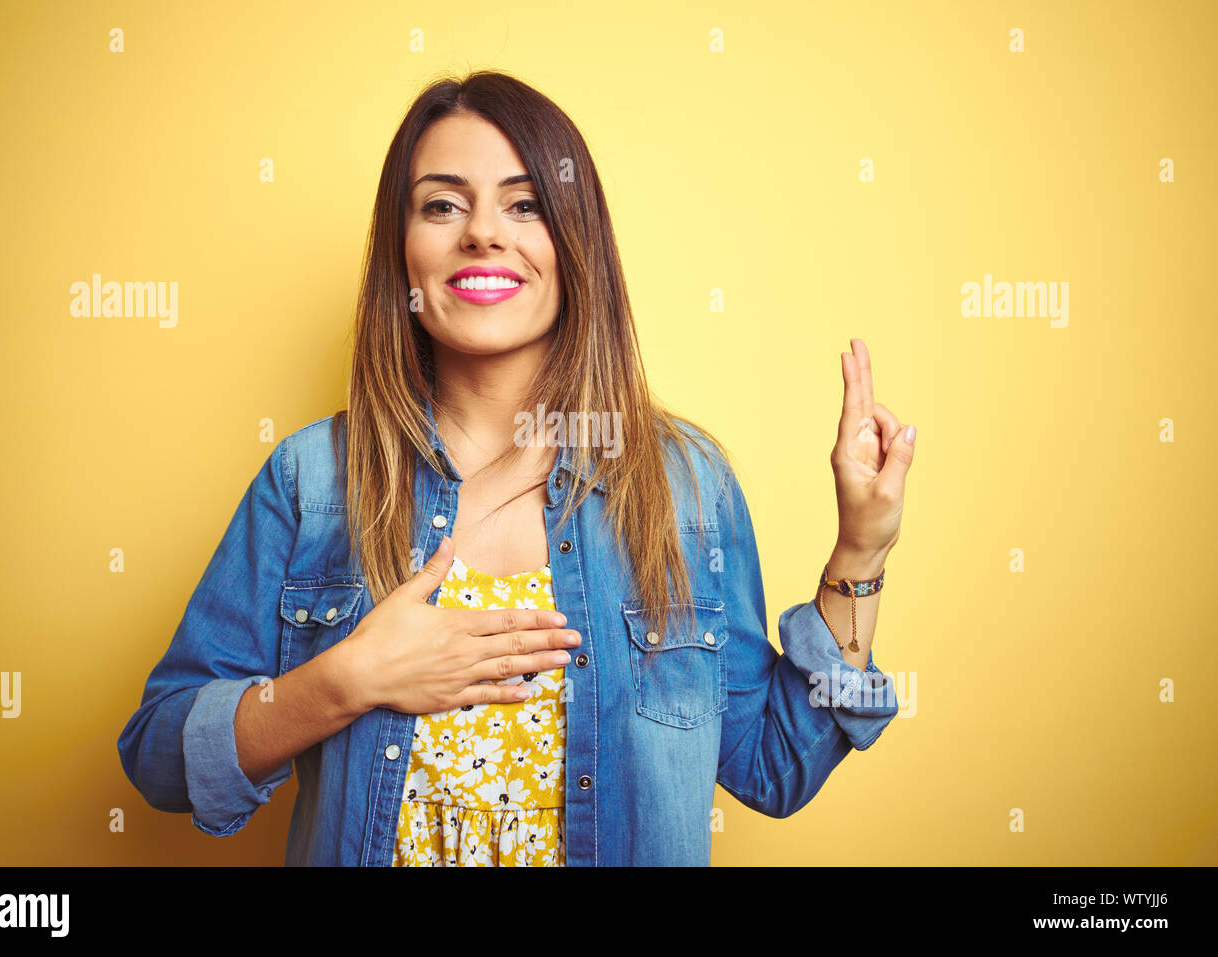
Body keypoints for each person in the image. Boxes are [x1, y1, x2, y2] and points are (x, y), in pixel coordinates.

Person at [117, 69, 916, 866]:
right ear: (403, 256)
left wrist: (862, 551)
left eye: (524, 203)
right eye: (442, 204)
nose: (483, 233)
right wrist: (345, 679)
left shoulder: (685, 488)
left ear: (574, 245)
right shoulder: (312, 482)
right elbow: (160, 753)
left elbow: (772, 763)